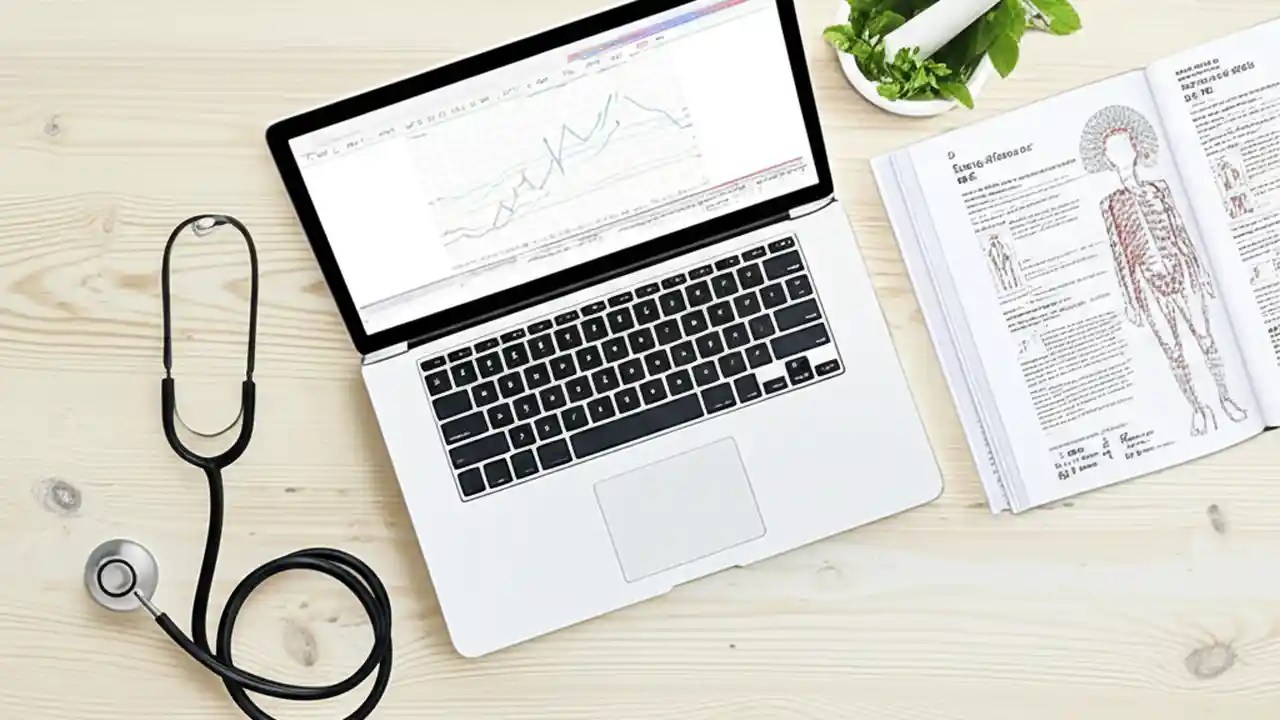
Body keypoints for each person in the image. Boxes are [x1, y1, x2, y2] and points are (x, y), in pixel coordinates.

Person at [1079, 105, 1248, 436]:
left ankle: (1226, 397)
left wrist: (1199, 270)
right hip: (1146, 282)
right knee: (1173, 349)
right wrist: (1130, 299)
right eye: (1113, 150)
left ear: (1136, 147)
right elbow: (1119, 255)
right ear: (1105, 158)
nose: (1121, 154)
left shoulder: (1158, 188)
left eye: (1125, 146)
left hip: (1180, 269)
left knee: (1205, 337)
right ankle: (1198, 408)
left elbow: (1180, 231)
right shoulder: (1109, 204)